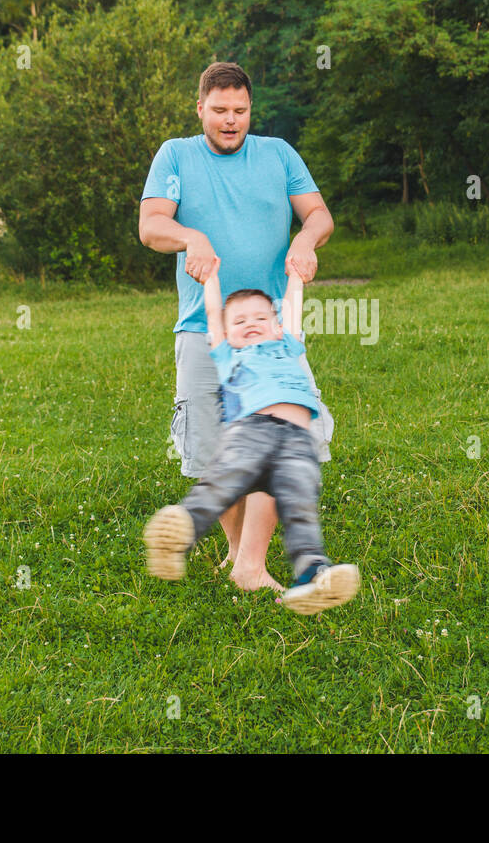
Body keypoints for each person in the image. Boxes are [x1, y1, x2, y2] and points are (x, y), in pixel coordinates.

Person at [138, 62, 335, 591]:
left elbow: (318, 215)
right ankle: (237, 554)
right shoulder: (175, 155)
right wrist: (190, 237)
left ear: (252, 109)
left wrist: (305, 239)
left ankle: (253, 561)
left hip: (270, 332)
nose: (231, 121)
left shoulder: (278, 154)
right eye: (220, 111)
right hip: (203, 327)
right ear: (200, 107)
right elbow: (151, 225)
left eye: (240, 111)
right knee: (213, 450)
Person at [142, 260, 359, 614]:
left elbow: (291, 305)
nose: (251, 324)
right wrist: (210, 278)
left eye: (260, 318)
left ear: (276, 326)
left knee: (301, 512)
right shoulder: (228, 354)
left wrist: (296, 276)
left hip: (296, 447)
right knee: (222, 484)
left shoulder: (288, 344)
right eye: (239, 321)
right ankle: (178, 534)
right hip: (253, 434)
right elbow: (214, 312)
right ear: (224, 334)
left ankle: (313, 579)